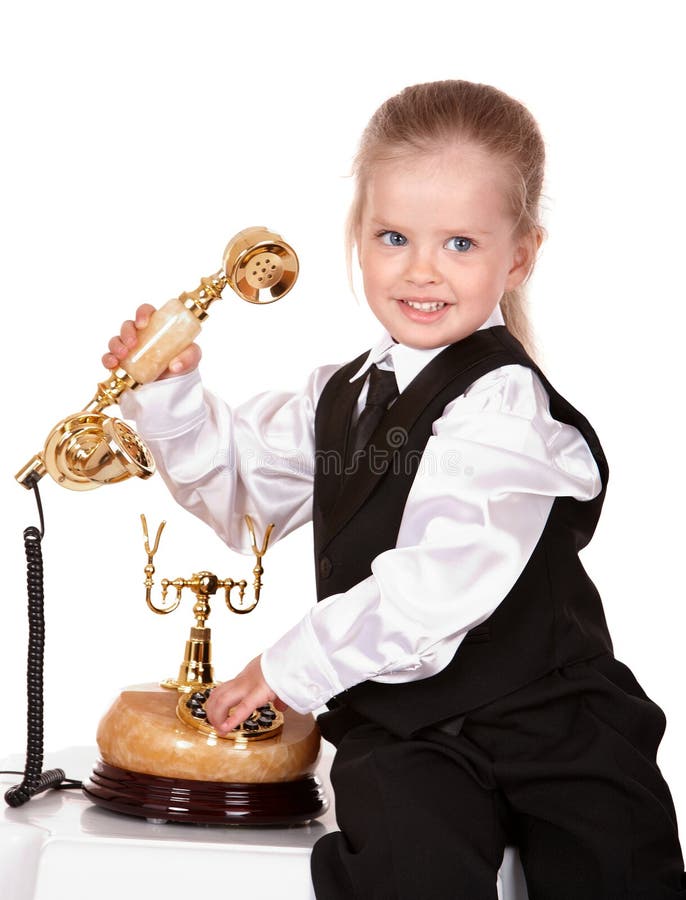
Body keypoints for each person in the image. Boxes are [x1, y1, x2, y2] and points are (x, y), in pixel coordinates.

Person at [105, 80, 686, 899]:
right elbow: (242, 489)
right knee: (407, 865)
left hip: (557, 724)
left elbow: (439, 582)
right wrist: (164, 391)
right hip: (409, 734)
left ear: (518, 255)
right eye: (393, 236)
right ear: (358, 239)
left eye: (460, 244)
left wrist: (290, 663)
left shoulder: (504, 408)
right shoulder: (339, 397)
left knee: (616, 870)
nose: (421, 270)